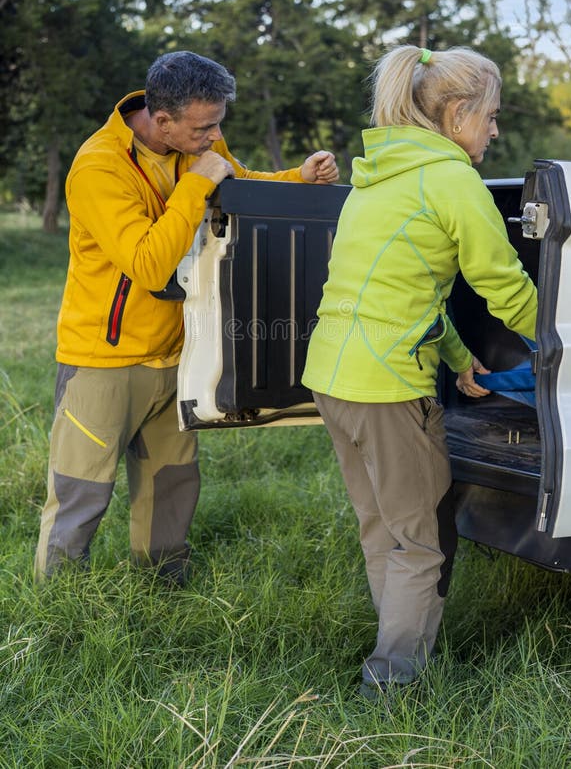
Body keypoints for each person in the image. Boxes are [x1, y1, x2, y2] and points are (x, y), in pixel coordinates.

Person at [35, 50, 339, 584]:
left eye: (218, 123)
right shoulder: (98, 166)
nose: (215, 136)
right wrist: (198, 182)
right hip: (104, 359)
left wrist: (299, 179)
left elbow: (239, 184)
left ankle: (163, 590)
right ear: (163, 120)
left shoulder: (197, 141)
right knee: (81, 491)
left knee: (172, 485)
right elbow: (150, 264)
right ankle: (56, 605)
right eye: (205, 127)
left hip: (180, 351)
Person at [301, 44, 537, 698]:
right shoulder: (452, 179)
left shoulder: (378, 177)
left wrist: (462, 360)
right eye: (490, 116)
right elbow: (504, 286)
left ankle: (394, 640)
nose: (494, 130)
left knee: (381, 525)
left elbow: (402, 294)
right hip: (385, 387)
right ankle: (395, 683)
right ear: (459, 113)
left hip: (331, 378)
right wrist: (567, 336)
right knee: (421, 539)